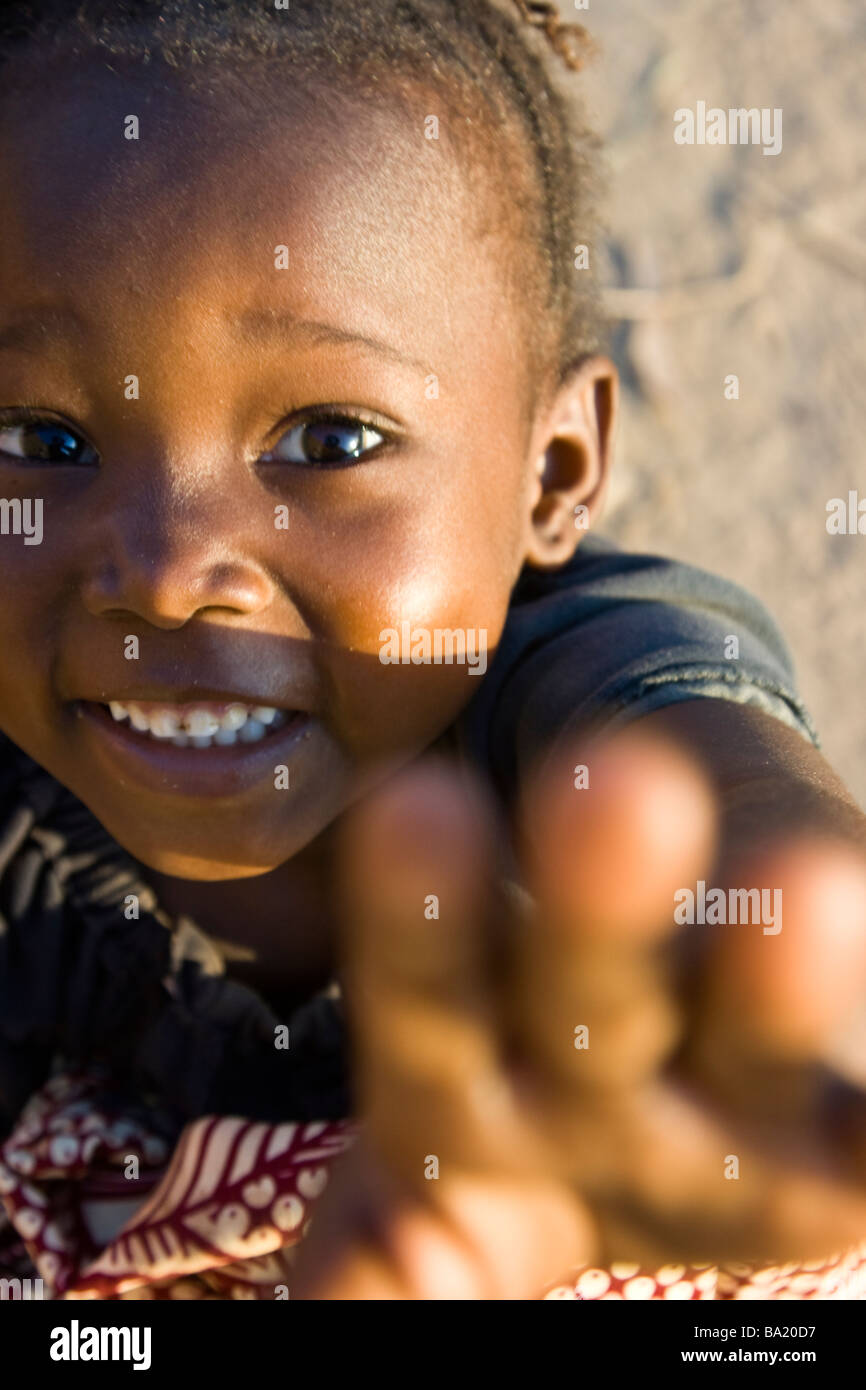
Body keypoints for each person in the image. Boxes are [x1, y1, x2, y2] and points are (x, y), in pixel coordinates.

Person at [0, 0, 864, 1301]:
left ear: (553, 474)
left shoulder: (559, 676)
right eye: (39, 439)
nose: (171, 572)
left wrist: (764, 974)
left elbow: (730, 787)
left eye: (329, 441)